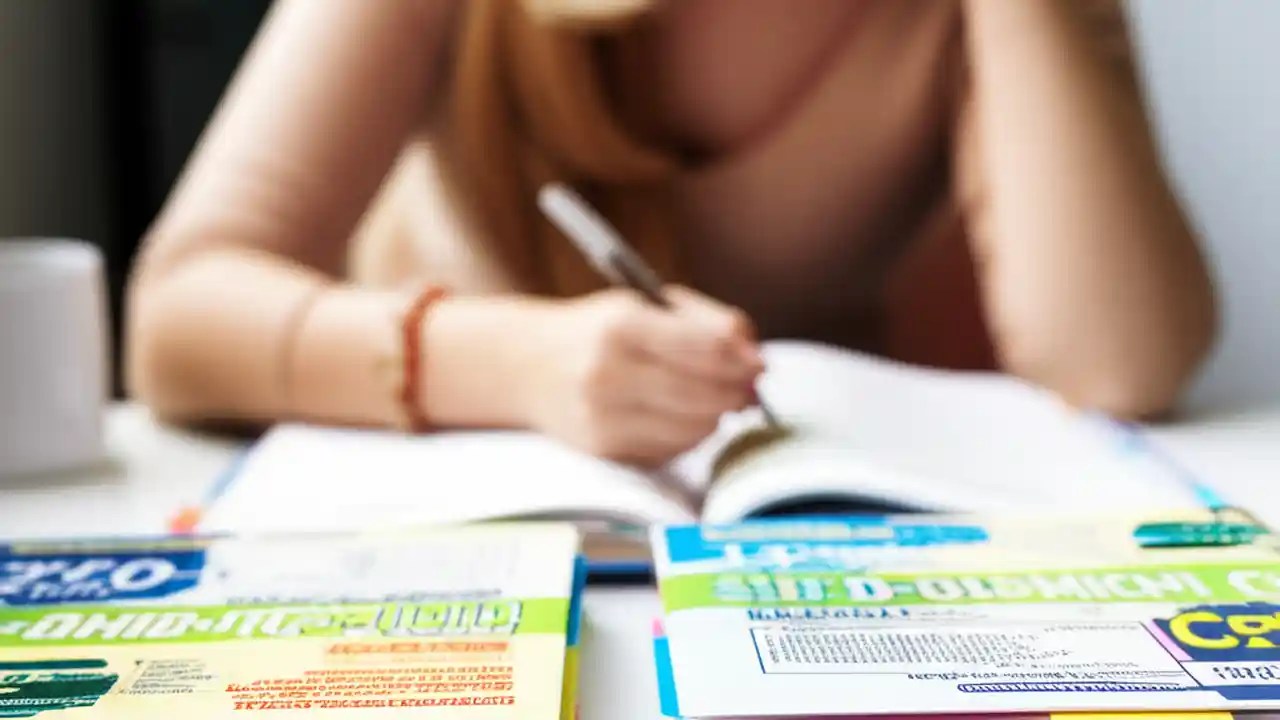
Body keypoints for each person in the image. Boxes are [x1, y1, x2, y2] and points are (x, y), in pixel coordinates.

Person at [126, 0, 1217, 466]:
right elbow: (176, 316)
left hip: (796, 551)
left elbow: (1116, 358)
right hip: (460, 530)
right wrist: (518, 363)